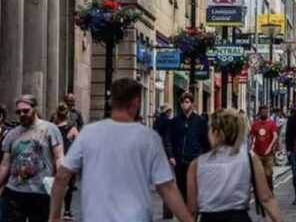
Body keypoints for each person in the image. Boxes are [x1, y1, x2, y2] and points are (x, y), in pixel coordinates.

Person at [49, 79, 194, 222]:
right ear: (136, 103)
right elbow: (167, 188)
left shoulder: (89, 133)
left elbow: (62, 176)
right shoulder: (148, 138)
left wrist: (54, 216)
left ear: (112, 102)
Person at [186, 109, 284, 222]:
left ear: (214, 132)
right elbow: (266, 198)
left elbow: (192, 211)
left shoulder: (196, 164)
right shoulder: (250, 159)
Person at [0, 95, 63, 222]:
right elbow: (5, 165)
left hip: (41, 192)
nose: (22, 114)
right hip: (15, 191)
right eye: (19, 112)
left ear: (35, 108)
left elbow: (59, 157)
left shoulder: (50, 129)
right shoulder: (12, 134)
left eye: (26, 110)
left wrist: (61, 182)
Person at [164, 92, 209, 204]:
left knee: (193, 188)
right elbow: (168, 139)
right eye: (182, 102)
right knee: (182, 188)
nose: (184, 105)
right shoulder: (175, 121)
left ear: (192, 104)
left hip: (194, 160)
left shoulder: (200, 121)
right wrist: (170, 156)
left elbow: (206, 141)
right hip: (179, 161)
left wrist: (202, 157)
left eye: (187, 102)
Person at [51, 103, 79, 221]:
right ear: (67, 115)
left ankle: (54, 210)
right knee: (69, 186)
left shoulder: (53, 129)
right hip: (67, 160)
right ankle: (67, 211)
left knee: (54, 185)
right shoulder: (72, 129)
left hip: (53, 159)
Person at [249, 105, 279, 191]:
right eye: (263, 112)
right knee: (258, 175)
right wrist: (250, 149)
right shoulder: (255, 124)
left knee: (268, 174)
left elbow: (275, 136)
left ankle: (270, 190)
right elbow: (252, 137)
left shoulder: (271, 124)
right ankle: (260, 193)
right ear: (260, 112)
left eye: (266, 112)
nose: (265, 113)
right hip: (257, 153)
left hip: (268, 155)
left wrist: (270, 147)